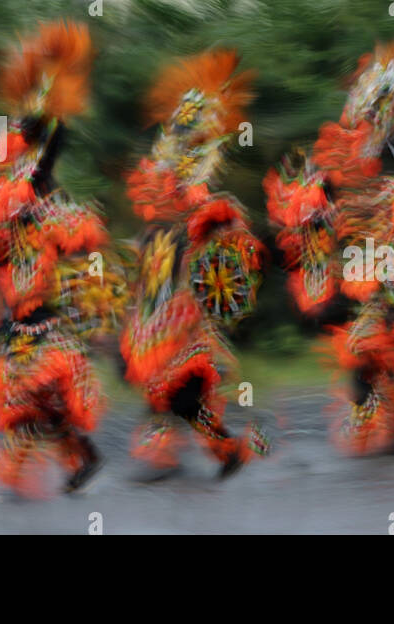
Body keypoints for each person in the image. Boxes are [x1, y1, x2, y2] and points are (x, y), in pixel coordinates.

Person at [266, 25, 394, 454]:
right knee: (365, 347)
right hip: (355, 268)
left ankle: (393, 420)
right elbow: (320, 203)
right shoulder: (342, 156)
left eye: (383, 107)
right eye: (372, 105)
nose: (375, 116)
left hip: (381, 271)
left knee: (369, 345)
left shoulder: (390, 168)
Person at [0, 22, 124, 497]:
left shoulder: (48, 206)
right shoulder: (4, 213)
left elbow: (50, 144)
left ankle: (48, 461)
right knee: (32, 400)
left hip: (46, 315)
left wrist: (50, 98)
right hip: (20, 314)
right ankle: (81, 457)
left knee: (26, 392)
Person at [121, 50, 268, 476]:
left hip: (181, 323)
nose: (176, 150)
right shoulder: (159, 207)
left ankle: (225, 448)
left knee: (182, 396)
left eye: (189, 142)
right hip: (151, 315)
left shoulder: (205, 210)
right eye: (175, 136)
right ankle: (185, 451)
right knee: (163, 392)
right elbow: (149, 254)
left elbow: (223, 262)